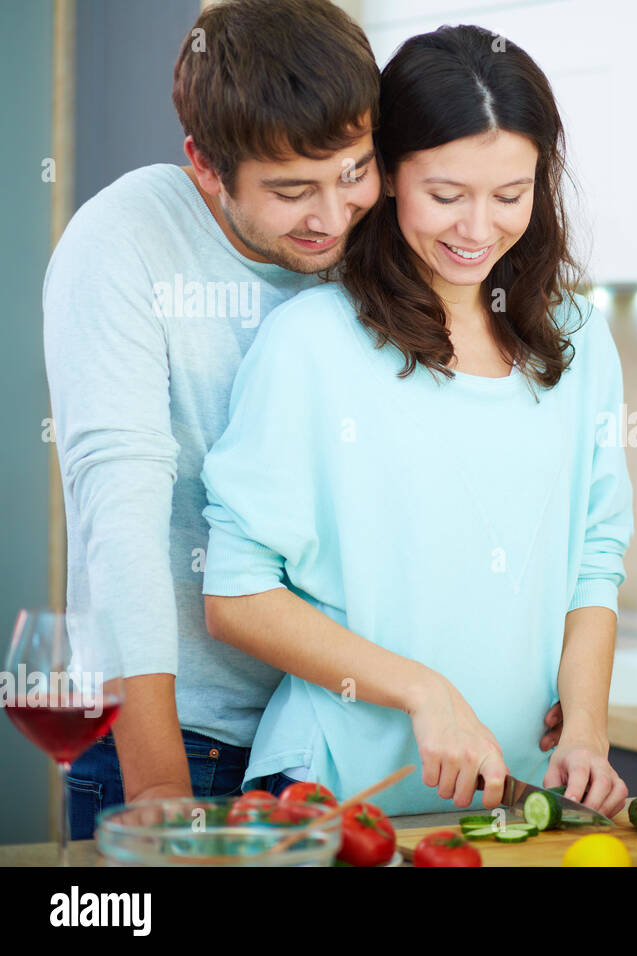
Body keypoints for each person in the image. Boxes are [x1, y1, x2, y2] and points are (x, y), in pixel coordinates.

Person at [42, 0, 552, 838]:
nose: (331, 217)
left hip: (335, 745)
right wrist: (163, 787)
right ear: (205, 167)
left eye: (354, 171)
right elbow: (120, 528)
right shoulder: (123, 244)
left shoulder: (379, 235)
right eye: (290, 191)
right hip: (182, 739)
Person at [201, 25, 634, 818]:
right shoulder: (313, 344)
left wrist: (589, 731)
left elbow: (595, 556)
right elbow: (236, 594)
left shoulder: (577, 336)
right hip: (337, 794)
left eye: (510, 195)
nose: (478, 230)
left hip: (514, 800)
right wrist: (422, 692)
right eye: (445, 196)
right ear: (389, 176)